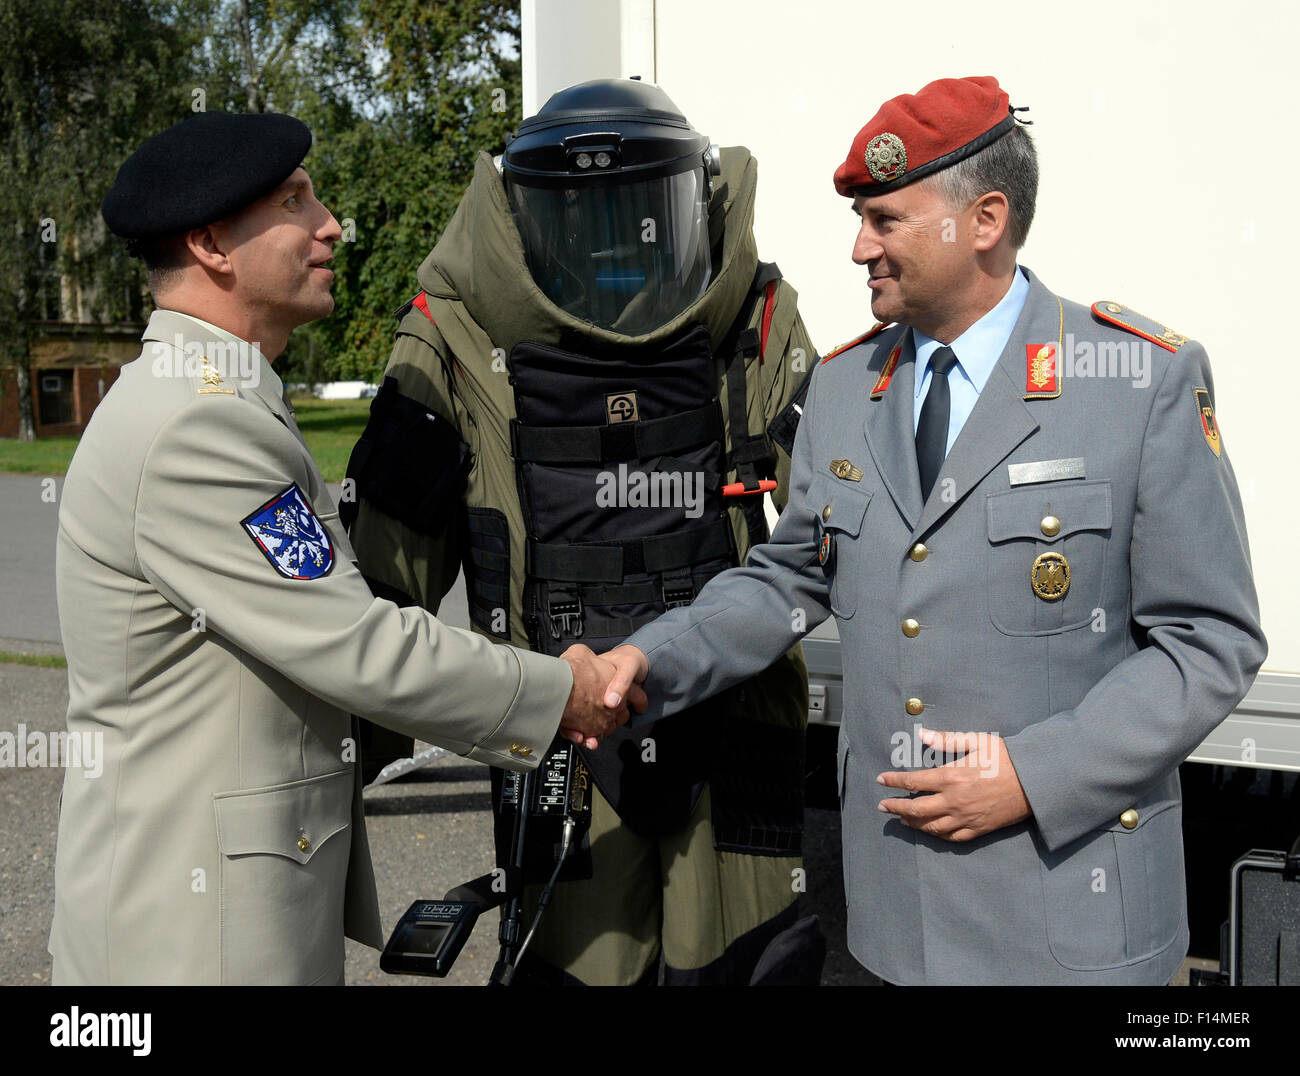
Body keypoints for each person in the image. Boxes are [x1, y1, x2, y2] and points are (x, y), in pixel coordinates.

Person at [602, 75, 1267, 985]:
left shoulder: (1132, 380)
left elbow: (1210, 641)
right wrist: (653, 658)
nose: (858, 249)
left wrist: (1035, 774)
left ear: (984, 220)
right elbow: (789, 575)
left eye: (884, 220)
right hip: (898, 925)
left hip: (1070, 918)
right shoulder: (843, 386)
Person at [51, 110, 635, 986]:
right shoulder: (196, 422)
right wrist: (562, 694)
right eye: (295, 201)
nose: (330, 225)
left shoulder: (217, 395)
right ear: (211, 243)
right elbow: (357, 644)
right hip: (189, 939)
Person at [345, 78, 824, 985]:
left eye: (639, 208)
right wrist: (349, 755)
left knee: (747, 961)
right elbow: (384, 573)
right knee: (579, 963)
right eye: (585, 213)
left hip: (723, 733)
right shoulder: (451, 334)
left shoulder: (755, 318)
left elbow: (844, 524)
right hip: (557, 729)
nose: (619, 247)